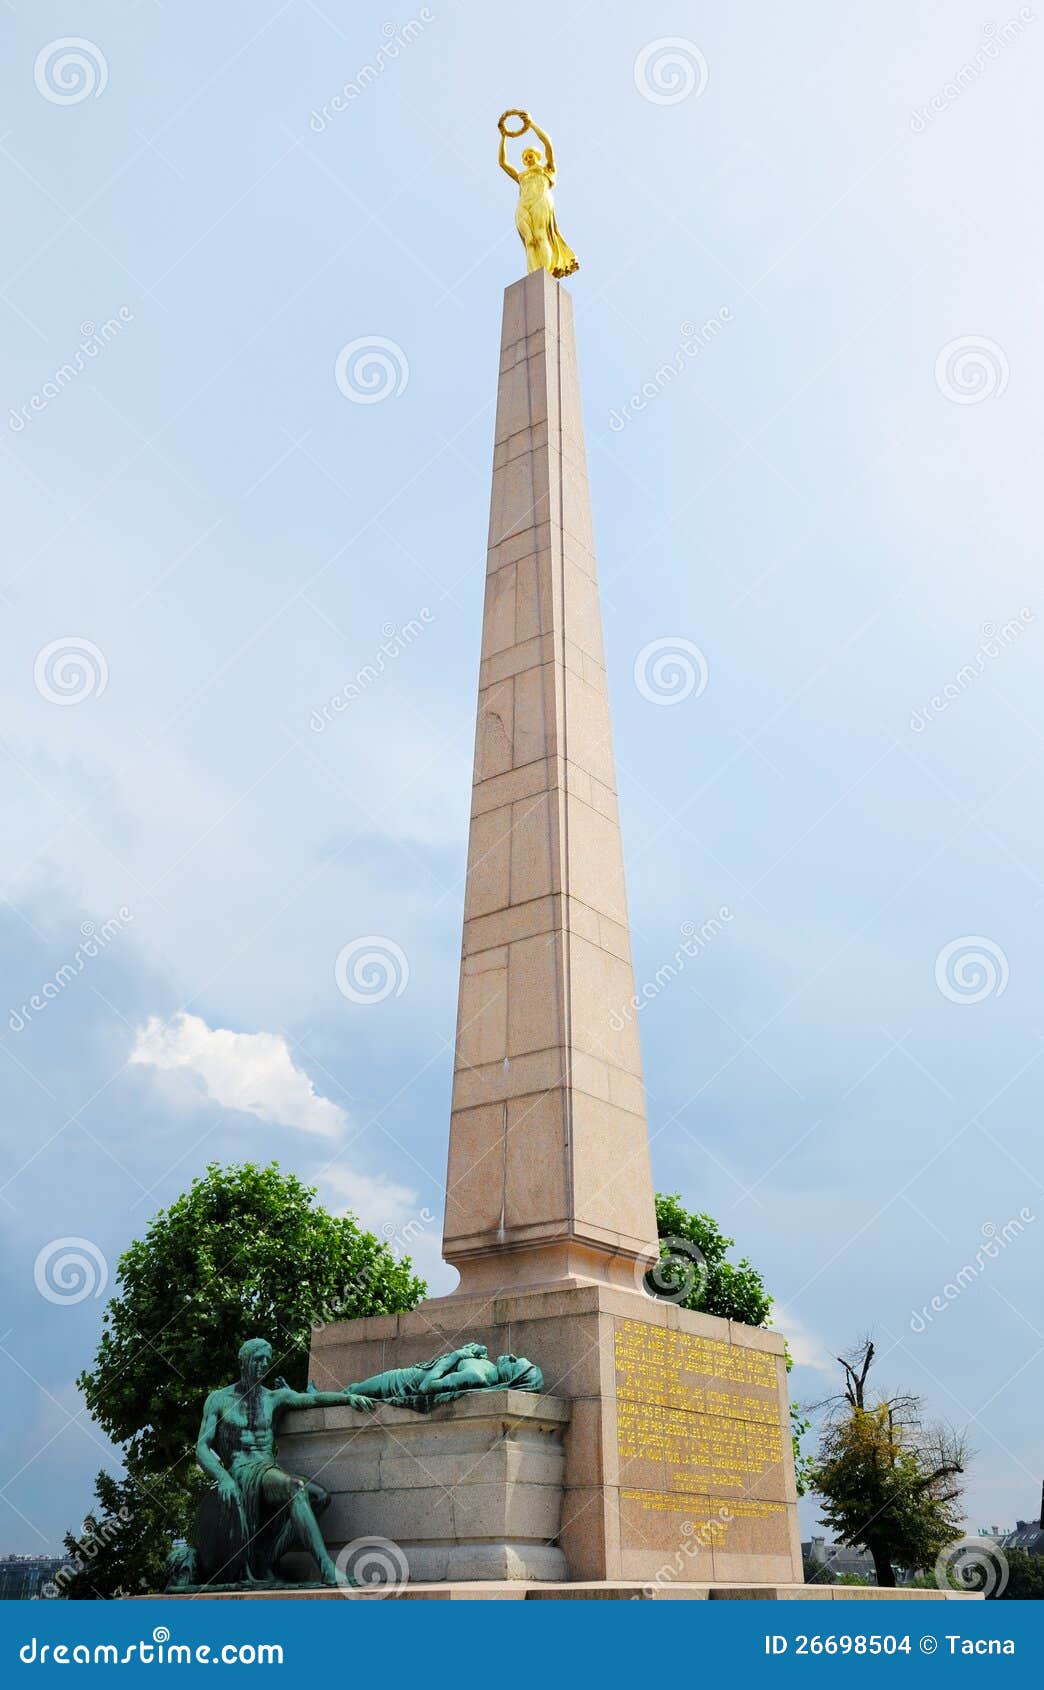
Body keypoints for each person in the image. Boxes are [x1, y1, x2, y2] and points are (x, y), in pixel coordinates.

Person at [180, 1336, 375, 1588]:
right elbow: (202, 1448)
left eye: (267, 1360)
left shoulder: (274, 1398)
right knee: (296, 1488)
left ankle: (265, 1559)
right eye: (257, 1359)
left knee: (320, 1498)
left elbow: (313, 1400)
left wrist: (347, 1398)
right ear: (243, 1361)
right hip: (240, 1471)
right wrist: (223, 1478)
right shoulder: (218, 1399)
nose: (263, 1364)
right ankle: (327, 1569)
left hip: (267, 1469)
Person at [498, 109, 579, 279]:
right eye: (525, 157)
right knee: (529, 240)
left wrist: (531, 124)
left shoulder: (547, 169)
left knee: (541, 236)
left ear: (537, 156)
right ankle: (534, 275)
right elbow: (503, 163)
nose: (528, 159)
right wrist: (503, 137)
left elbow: (547, 143)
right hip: (523, 204)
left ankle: (546, 273)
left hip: (541, 200)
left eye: (530, 156)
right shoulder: (521, 176)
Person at [347, 1342, 543, 1412]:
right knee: (352, 1390)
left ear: (511, 1378)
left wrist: (455, 1355)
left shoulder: (476, 1376)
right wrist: (471, 1348)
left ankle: (333, 1399)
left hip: (401, 1383)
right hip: (411, 1373)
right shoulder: (487, 1365)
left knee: (353, 1391)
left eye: (515, 1363)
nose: (512, 1356)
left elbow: (426, 1386)